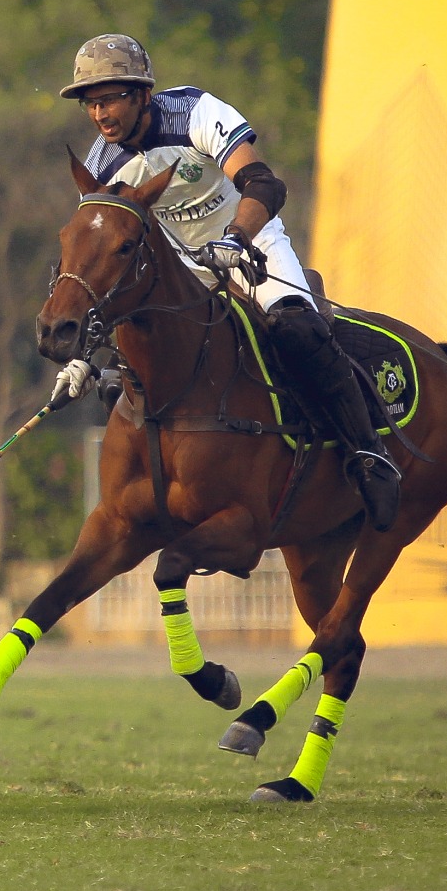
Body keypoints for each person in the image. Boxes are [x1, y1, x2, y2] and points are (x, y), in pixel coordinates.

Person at [47, 34, 400, 531]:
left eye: (111, 99)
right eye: (91, 102)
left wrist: (236, 239)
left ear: (143, 94)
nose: (101, 114)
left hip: (250, 242)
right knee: (136, 358)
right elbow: (101, 259)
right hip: (183, 270)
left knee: (299, 332)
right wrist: (86, 354)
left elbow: (263, 184)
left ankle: (369, 456)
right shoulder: (104, 163)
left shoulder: (195, 114)